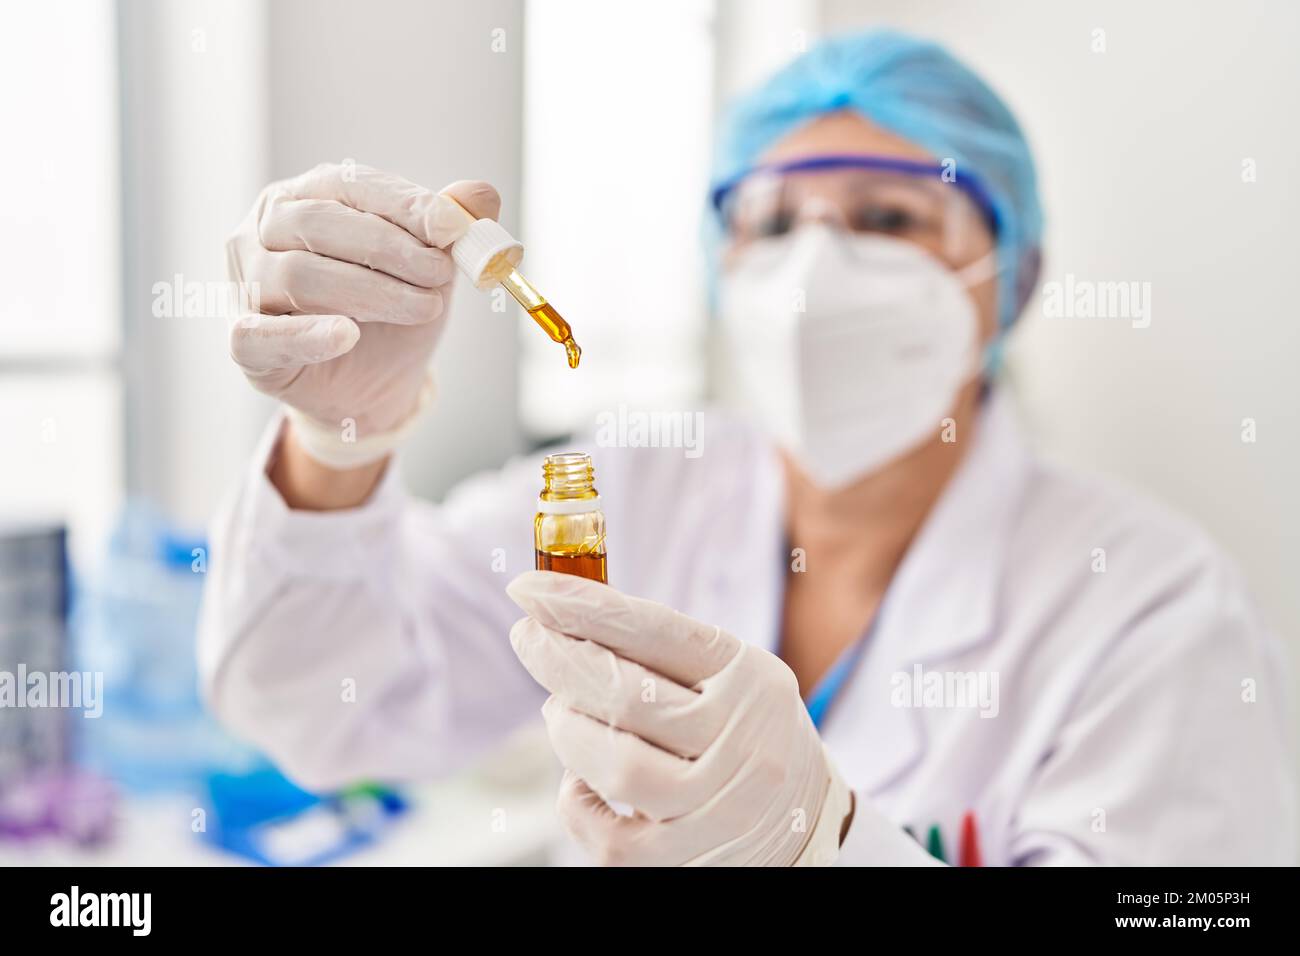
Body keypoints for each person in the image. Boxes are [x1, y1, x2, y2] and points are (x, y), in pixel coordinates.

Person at [200, 30, 1295, 865]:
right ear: (721, 265)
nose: (814, 273)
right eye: (770, 224)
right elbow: (315, 703)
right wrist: (337, 438)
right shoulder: (632, 483)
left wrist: (824, 841)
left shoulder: (1152, 610)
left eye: (889, 219)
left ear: (1011, 272)